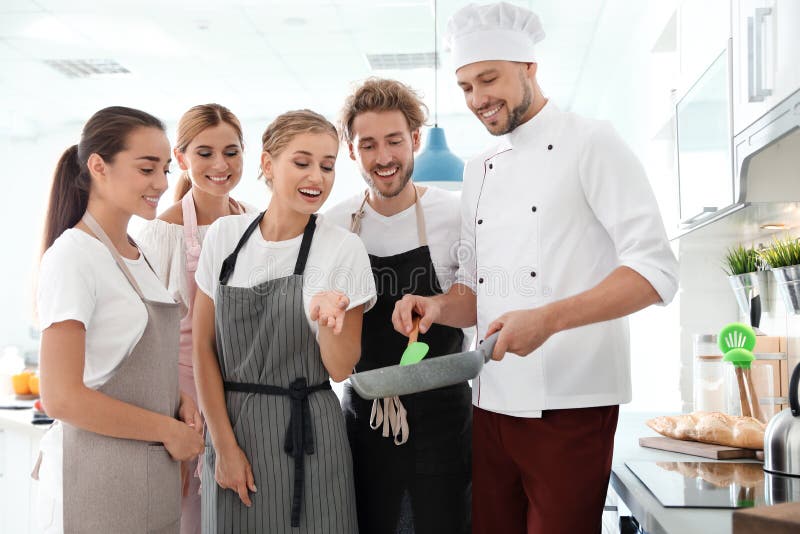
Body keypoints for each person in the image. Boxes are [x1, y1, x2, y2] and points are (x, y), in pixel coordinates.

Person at [392, 3, 680, 533]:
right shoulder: (478, 169)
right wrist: (436, 306)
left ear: (529, 68)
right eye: (465, 87)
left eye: (488, 79)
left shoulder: (593, 141)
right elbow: (475, 293)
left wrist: (545, 320)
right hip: (492, 402)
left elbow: (655, 271)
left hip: (571, 404)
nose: (478, 99)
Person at [193, 109, 376, 533]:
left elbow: (340, 368)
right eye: (302, 162)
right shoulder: (225, 236)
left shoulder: (342, 249)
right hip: (231, 429)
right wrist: (223, 446)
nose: (317, 176)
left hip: (310, 439)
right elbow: (203, 348)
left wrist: (330, 320)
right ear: (267, 164)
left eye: (328, 166)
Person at [35, 106, 205, 534]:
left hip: (148, 482)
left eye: (165, 169)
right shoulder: (73, 257)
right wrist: (166, 430)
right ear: (98, 166)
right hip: (92, 485)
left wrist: (177, 399)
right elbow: (61, 398)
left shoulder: (136, 253)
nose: (162, 184)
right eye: (147, 168)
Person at [326, 78, 470, 533]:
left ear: (415, 140)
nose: (383, 157)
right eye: (368, 144)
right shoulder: (335, 224)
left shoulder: (455, 212)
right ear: (352, 151)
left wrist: (436, 306)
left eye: (393, 140)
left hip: (444, 418)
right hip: (365, 418)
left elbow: (474, 303)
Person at [138, 103, 256, 534]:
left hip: (246, 394)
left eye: (231, 151)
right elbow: (148, 336)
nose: (220, 165)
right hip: (185, 400)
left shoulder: (255, 223)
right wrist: (171, 415)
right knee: (192, 517)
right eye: (205, 153)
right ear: (182, 157)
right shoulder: (164, 231)